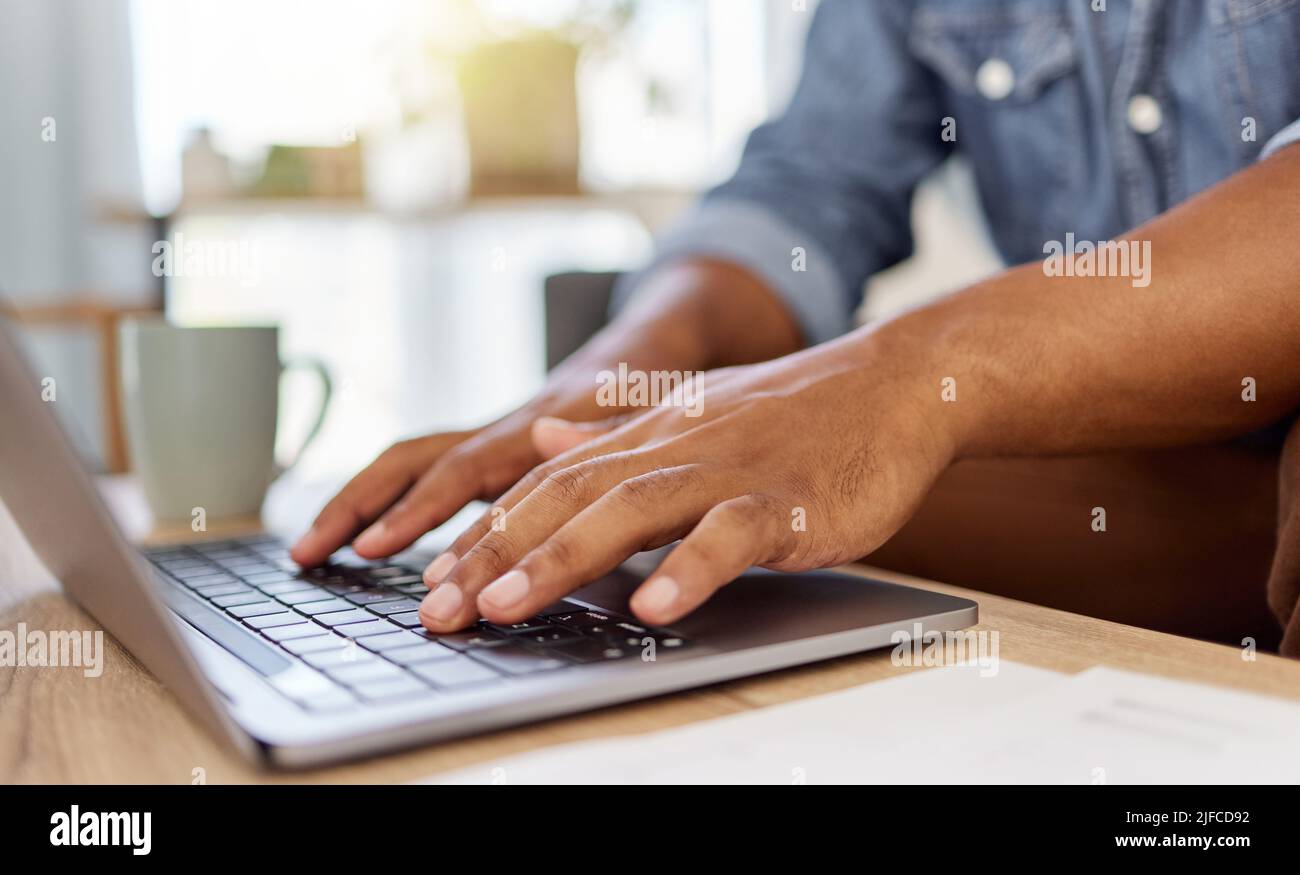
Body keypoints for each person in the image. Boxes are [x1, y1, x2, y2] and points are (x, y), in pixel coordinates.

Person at [292, 1, 1300, 653]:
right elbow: (808, 188)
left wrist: (903, 372)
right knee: (700, 532)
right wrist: (620, 373)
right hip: (1147, 483)